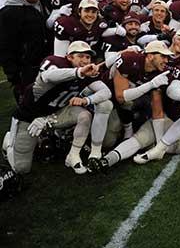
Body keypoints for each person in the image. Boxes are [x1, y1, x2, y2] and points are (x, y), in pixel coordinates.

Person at [4, 41, 112, 174]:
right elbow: (48, 76)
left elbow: (106, 92)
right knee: (21, 168)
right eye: (81, 56)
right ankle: (9, 141)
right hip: (29, 116)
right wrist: (78, 72)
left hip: (56, 114)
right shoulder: (56, 63)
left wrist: (86, 100)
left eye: (88, 57)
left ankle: (73, 156)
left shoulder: (86, 73)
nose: (85, 60)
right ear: (69, 57)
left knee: (85, 115)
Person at [0, 0, 52, 102]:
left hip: (44, 64)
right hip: (24, 70)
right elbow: (4, 45)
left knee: (45, 103)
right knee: (27, 107)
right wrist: (13, 74)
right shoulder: (9, 12)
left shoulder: (43, 5)